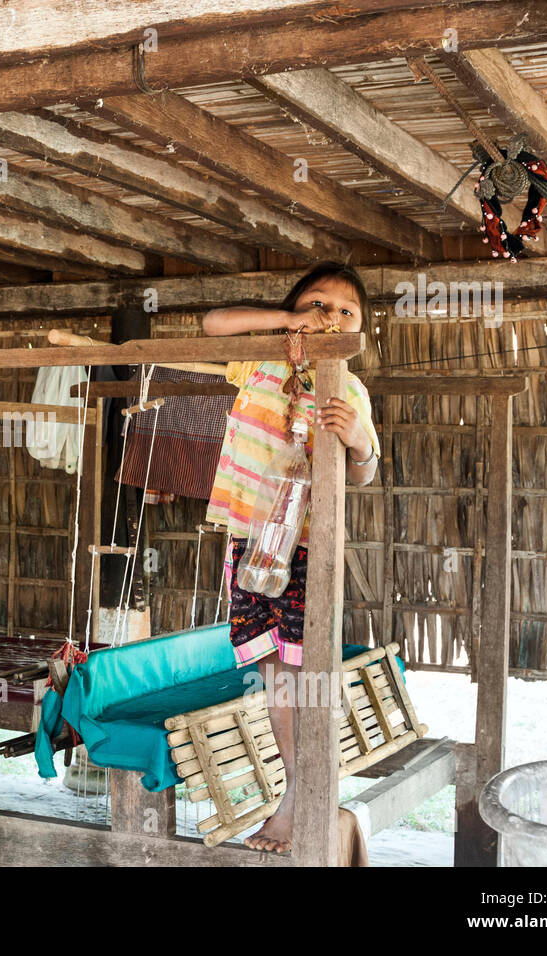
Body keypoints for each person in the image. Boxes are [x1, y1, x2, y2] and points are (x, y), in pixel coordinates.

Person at [201, 262, 380, 853]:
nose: (330, 317)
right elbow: (212, 323)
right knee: (275, 672)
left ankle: (304, 795)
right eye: (317, 303)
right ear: (294, 309)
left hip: (303, 548)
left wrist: (356, 438)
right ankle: (298, 791)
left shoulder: (348, 390)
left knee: (303, 671)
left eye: (346, 312)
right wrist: (283, 321)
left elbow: (365, 471)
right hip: (251, 543)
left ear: (360, 330)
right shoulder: (259, 361)